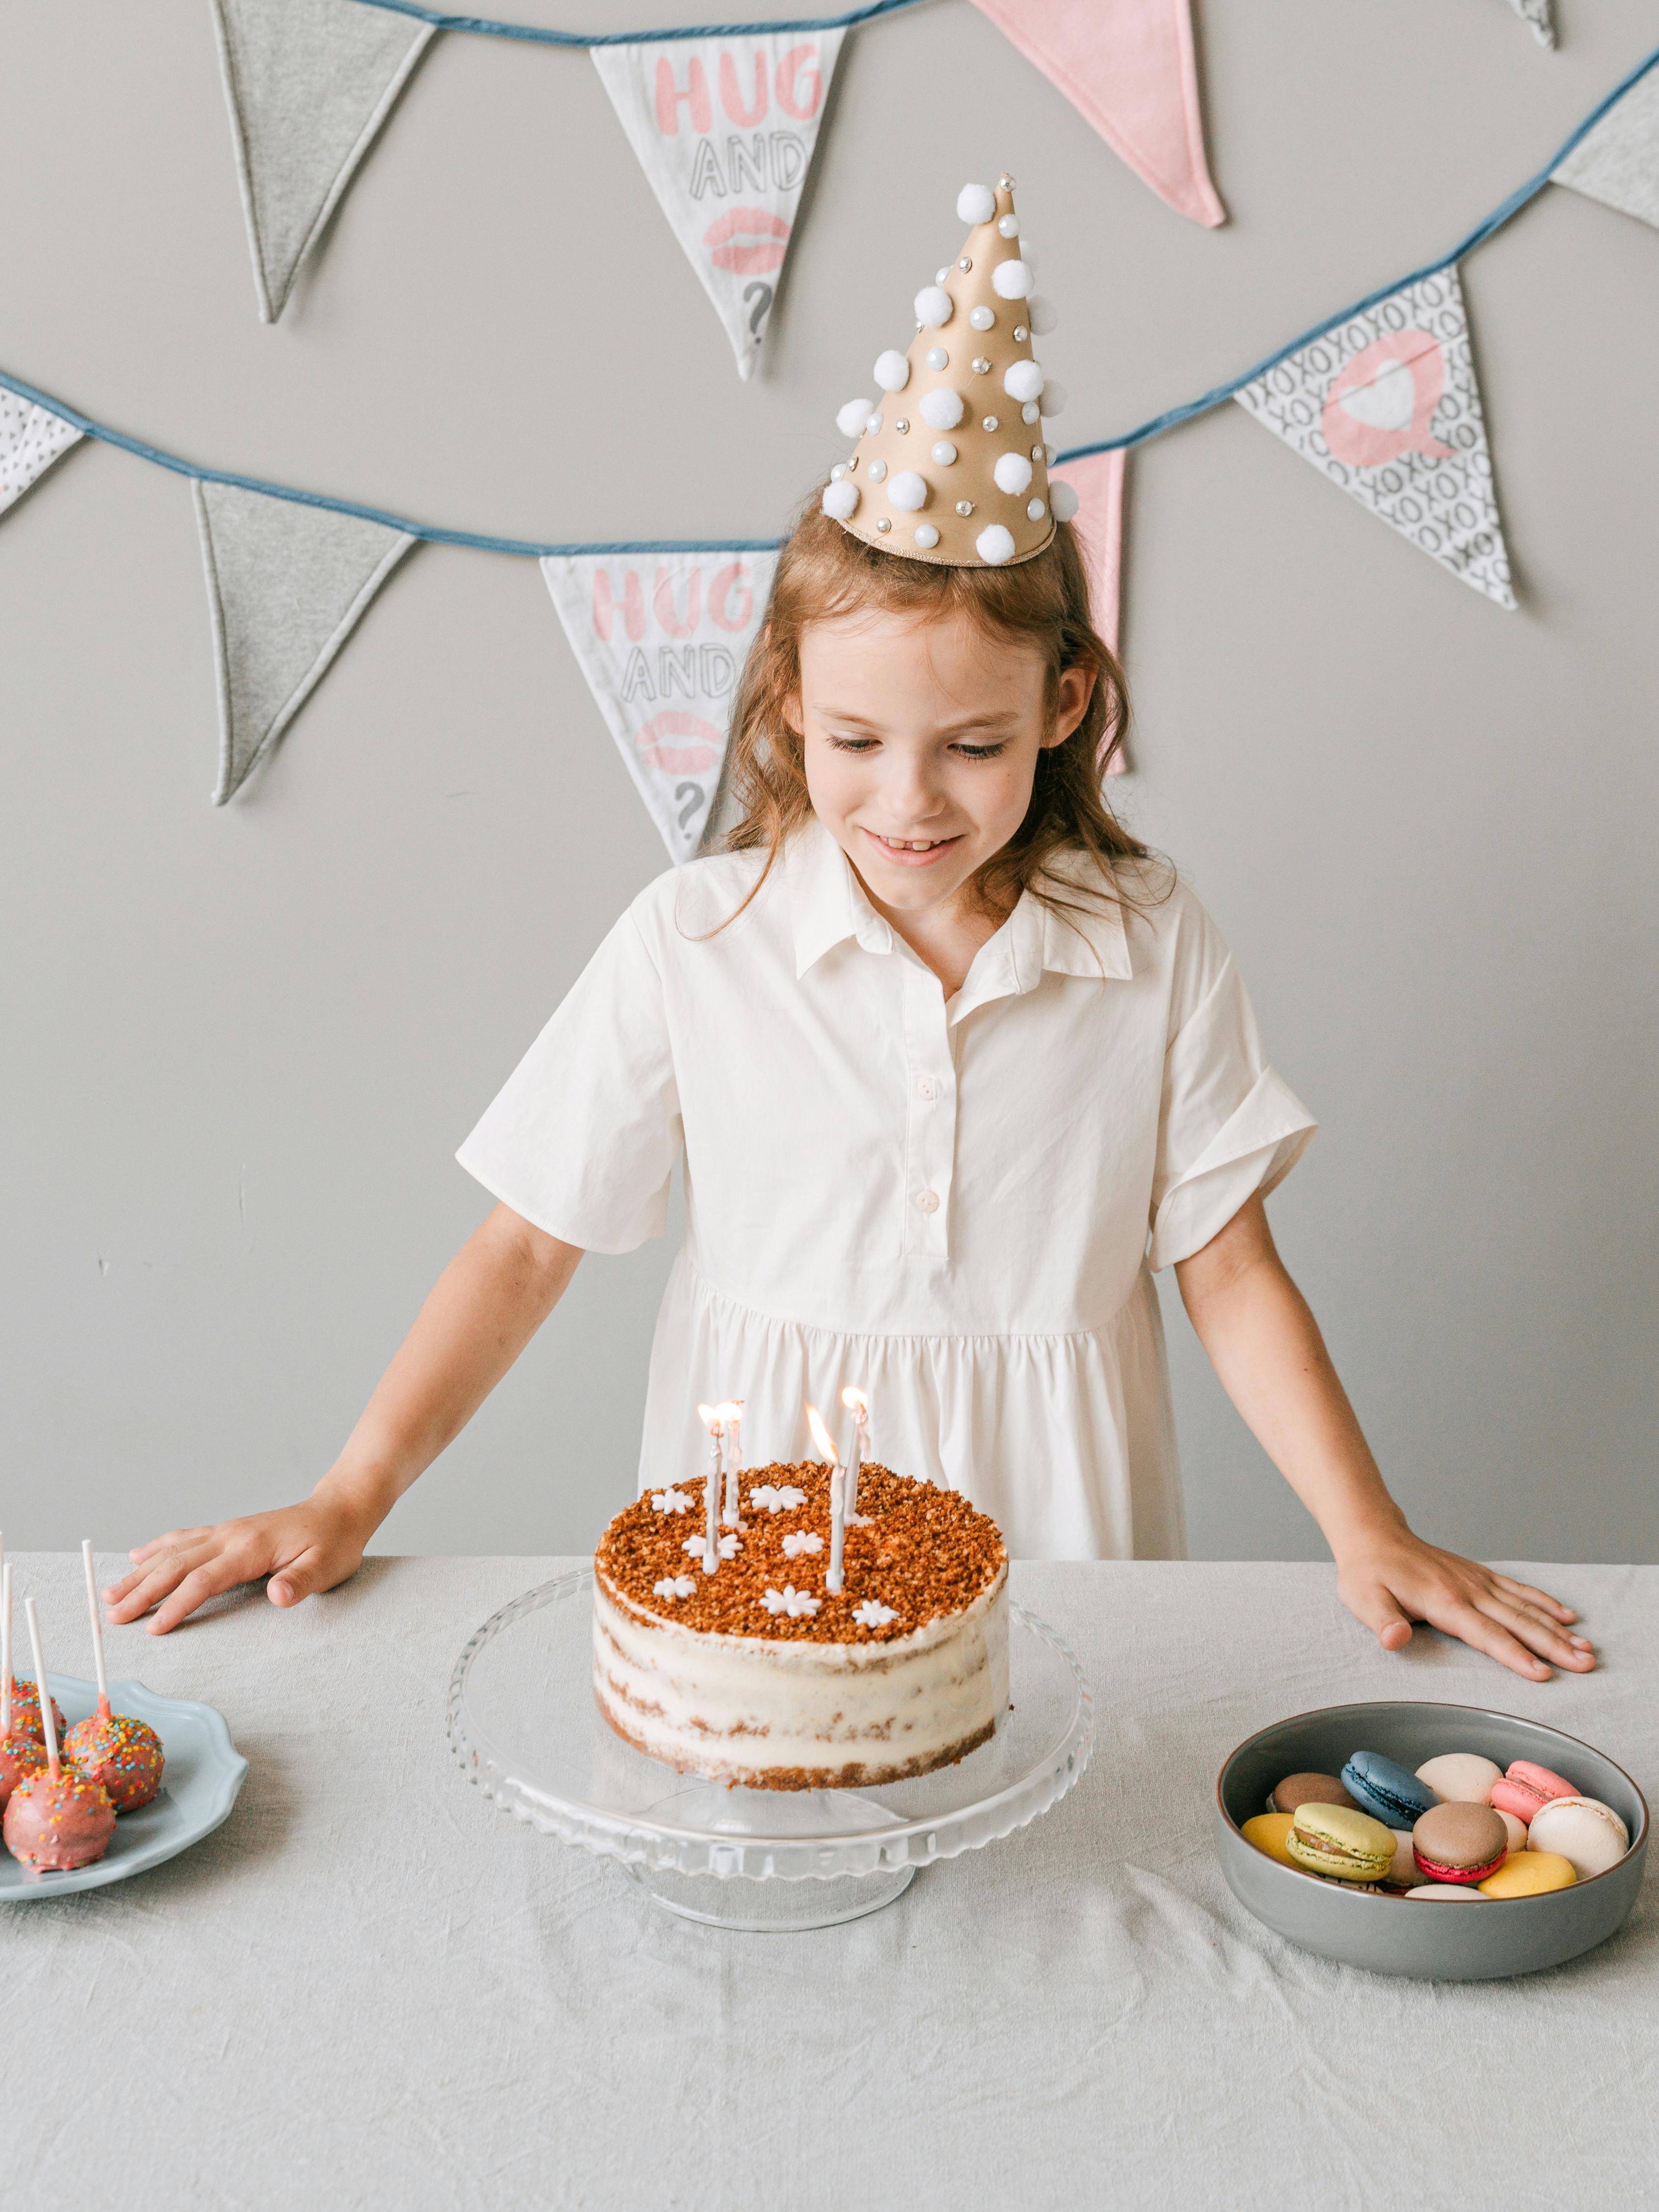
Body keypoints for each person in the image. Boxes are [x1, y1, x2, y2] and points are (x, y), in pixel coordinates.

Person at [107, 181, 1592, 1683]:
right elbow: (522, 1245)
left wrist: (1366, 1526)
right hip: (757, 1529)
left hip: (1060, 1522)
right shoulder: (698, 937)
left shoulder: (1146, 937)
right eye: (859, 739)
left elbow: (1226, 1265)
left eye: (972, 744)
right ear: (789, 710)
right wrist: (352, 1491)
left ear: (1061, 707)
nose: (910, 801)